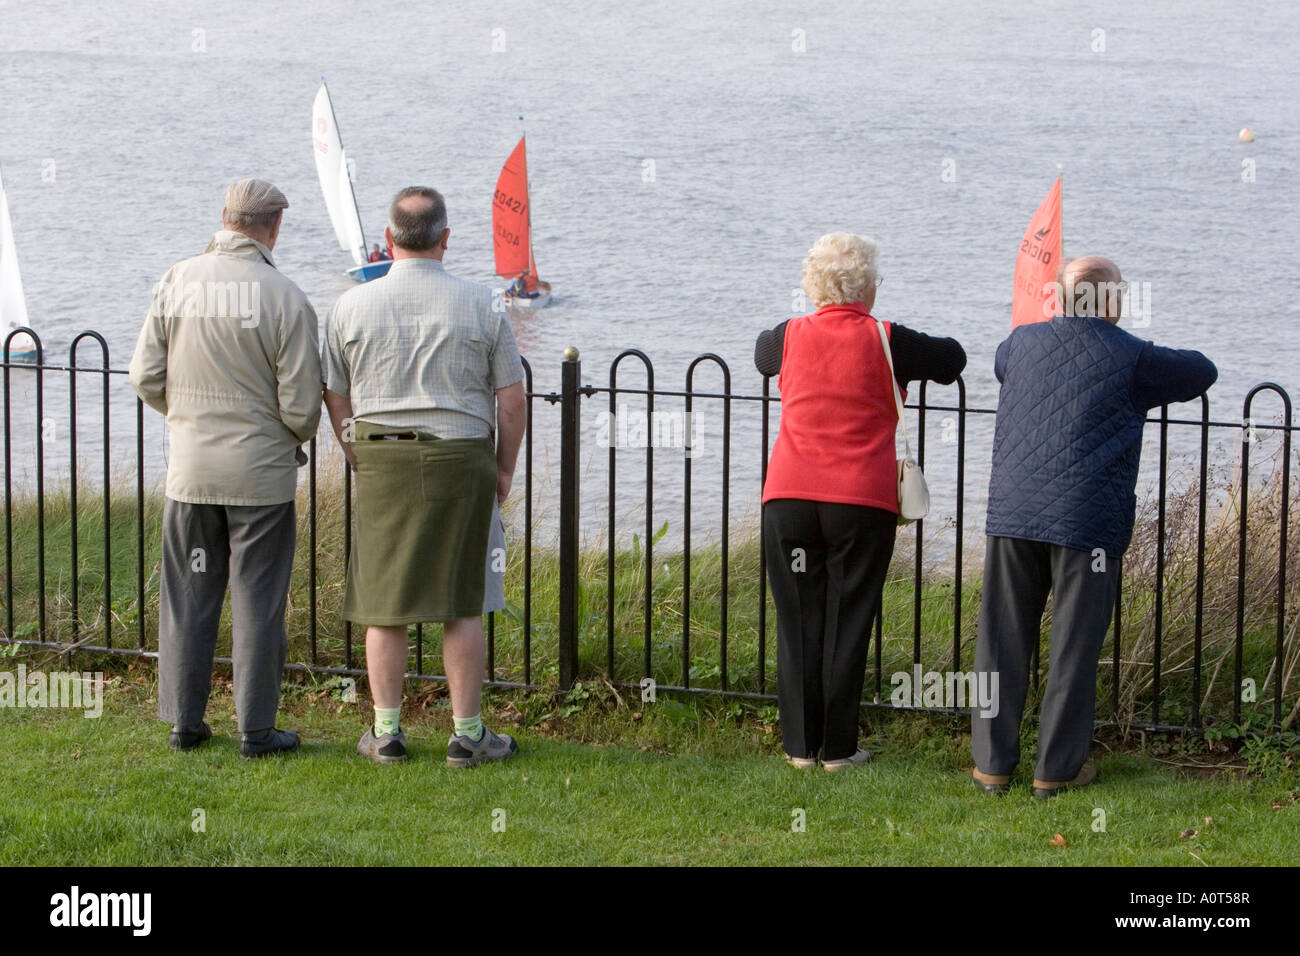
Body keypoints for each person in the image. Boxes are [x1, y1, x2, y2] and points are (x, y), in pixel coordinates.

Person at [972, 255, 1217, 797]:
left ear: (1058, 299)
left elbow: (1002, 364)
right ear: (1112, 302)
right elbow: (1202, 371)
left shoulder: (1018, 344)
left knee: (1000, 642)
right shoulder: (1134, 359)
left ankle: (992, 765)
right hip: (1086, 521)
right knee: (1074, 646)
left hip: (1014, 512)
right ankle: (1055, 771)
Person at [323, 186, 527, 767]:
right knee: (464, 600)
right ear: (445, 239)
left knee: (384, 602)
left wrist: (353, 448)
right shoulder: (482, 305)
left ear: (388, 241)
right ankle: (467, 735)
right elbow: (511, 402)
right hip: (462, 458)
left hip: (381, 455)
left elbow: (333, 393)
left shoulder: (350, 305)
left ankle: (387, 732)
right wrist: (504, 467)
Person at [755, 232, 966, 771]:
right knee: (848, 621)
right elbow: (952, 360)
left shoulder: (786, 336)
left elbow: (761, 356)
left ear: (813, 285)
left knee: (797, 620)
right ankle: (839, 750)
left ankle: (801, 748)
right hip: (859, 501)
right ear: (868, 285)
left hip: (789, 497)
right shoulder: (889, 338)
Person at [128, 178, 322, 758]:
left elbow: (144, 377)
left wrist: (186, 415)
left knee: (189, 595)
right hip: (260, 478)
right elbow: (302, 407)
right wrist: (278, 434)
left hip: (191, 471)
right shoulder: (286, 297)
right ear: (275, 226)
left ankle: (185, 721)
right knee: (258, 602)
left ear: (224, 217)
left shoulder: (177, 281)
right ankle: (256, 730)